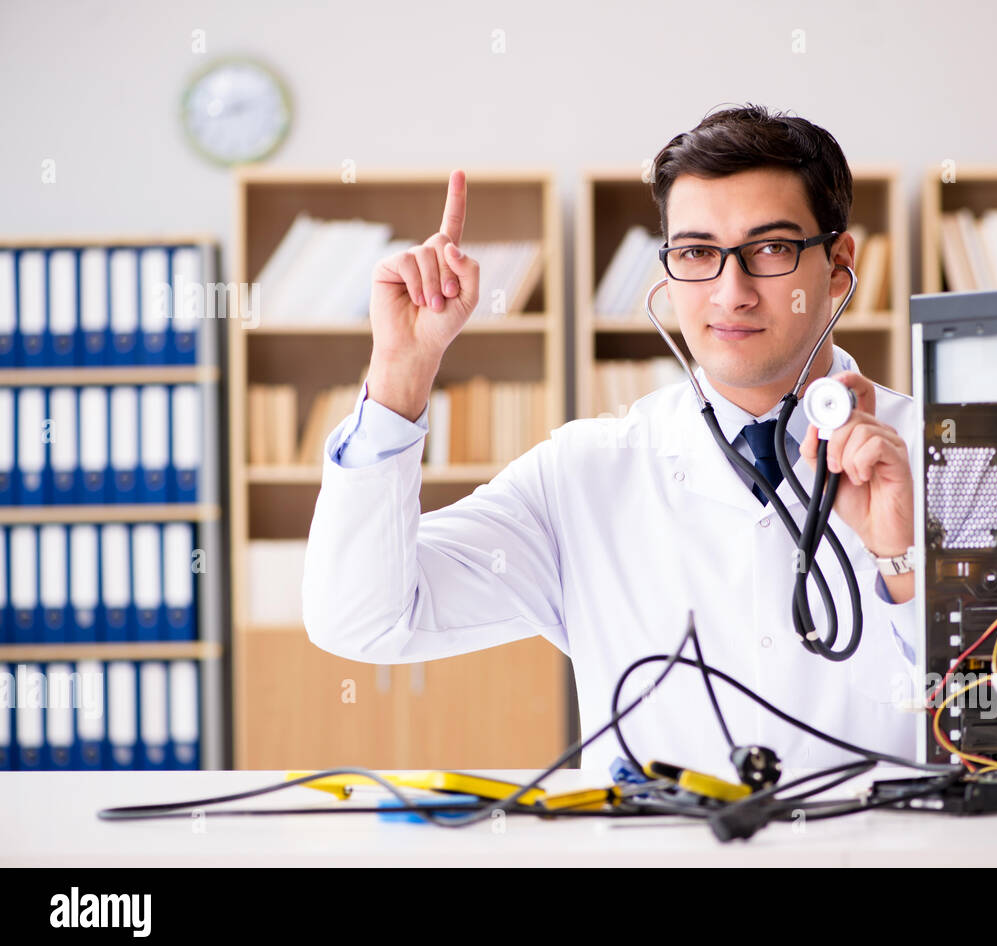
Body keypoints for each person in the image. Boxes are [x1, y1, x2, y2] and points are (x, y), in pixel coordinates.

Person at [302, 103, 922, 779]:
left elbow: (994, 708)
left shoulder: (942, 453)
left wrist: (901, 562)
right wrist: (399, 375)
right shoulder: (584, 472)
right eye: (697, 253)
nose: (730, 292)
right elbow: (364, 621)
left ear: (837, 267)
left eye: (769, 249)